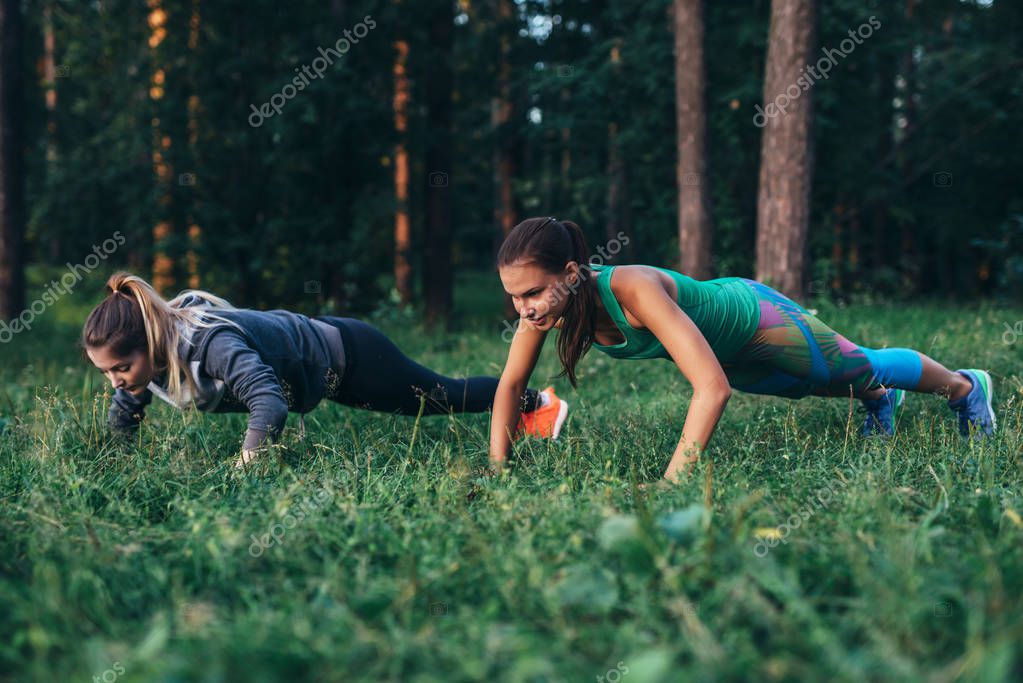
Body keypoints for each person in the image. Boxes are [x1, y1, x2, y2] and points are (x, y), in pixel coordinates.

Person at [489, 217, 996, 482]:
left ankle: (965, 388)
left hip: (756, 320)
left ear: (570, 274)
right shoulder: (548, 309)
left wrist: (673, 482)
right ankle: (880, 400)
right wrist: (498, 468)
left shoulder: (632, 289)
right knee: (810, 387)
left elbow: (711, 390)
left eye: (532, 292)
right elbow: (511, 386)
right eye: (514, 296)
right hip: (729, 354)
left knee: (856, 366)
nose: (523, 309)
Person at [82, 272, 568, 468]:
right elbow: (127, 406)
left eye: (121, 367)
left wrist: (247, 464)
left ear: (150, 340)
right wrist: (112, 457)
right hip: (327, 371)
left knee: (439, 397)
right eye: (107, 372)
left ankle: (538, 404)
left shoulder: (208, 344)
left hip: (349, 355)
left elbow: (268, 401)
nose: (116, 380)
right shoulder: (145, 365)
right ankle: (529, 405)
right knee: (436, 398)